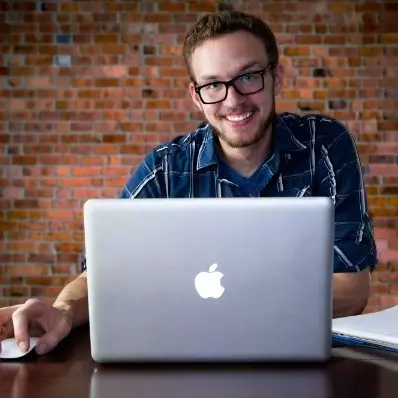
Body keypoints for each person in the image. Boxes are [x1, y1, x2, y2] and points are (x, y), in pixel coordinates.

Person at [0, 10, 377, 356]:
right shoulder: (166, 169)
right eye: (213, 85)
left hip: (294, 359)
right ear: (196, 96)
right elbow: (101, 271)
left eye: (248, 76)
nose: (233, 100)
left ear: (276, 77)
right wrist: (63, 310)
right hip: (187, 359)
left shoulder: (324, 145)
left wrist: (204, 303)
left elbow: (350, 290)